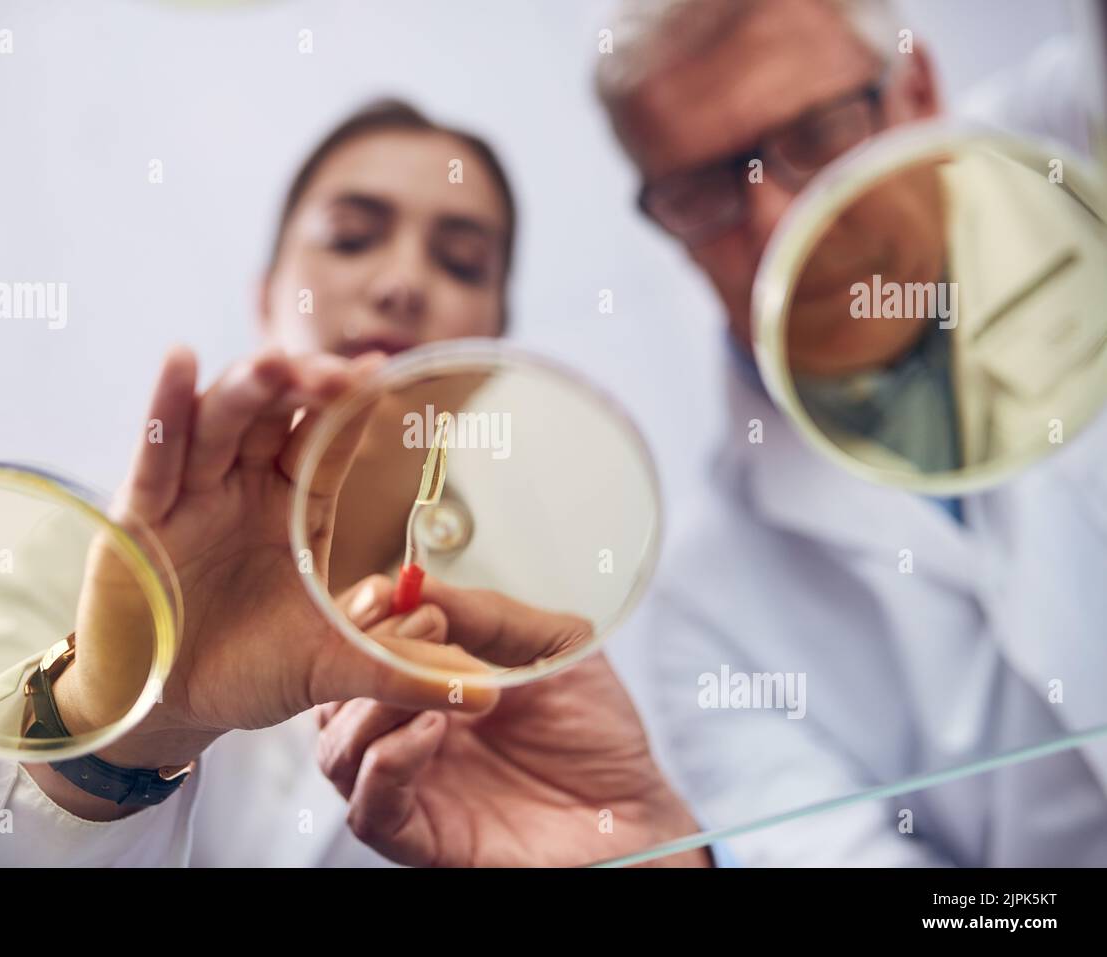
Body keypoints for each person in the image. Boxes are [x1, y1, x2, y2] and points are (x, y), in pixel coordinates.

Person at [0, 99, 707, 867]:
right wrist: (111, 725)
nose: (400, 282)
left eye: (460, 263)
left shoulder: (544, 654)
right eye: (353, 237)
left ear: (490, 348)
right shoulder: (78, 560)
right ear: (268, 293)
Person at [324, 0, 1107, 868]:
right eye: (707, 187)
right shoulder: (705, 606)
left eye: (816, 136)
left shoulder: (1072, 152)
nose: (777, 225)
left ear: (918, 90)